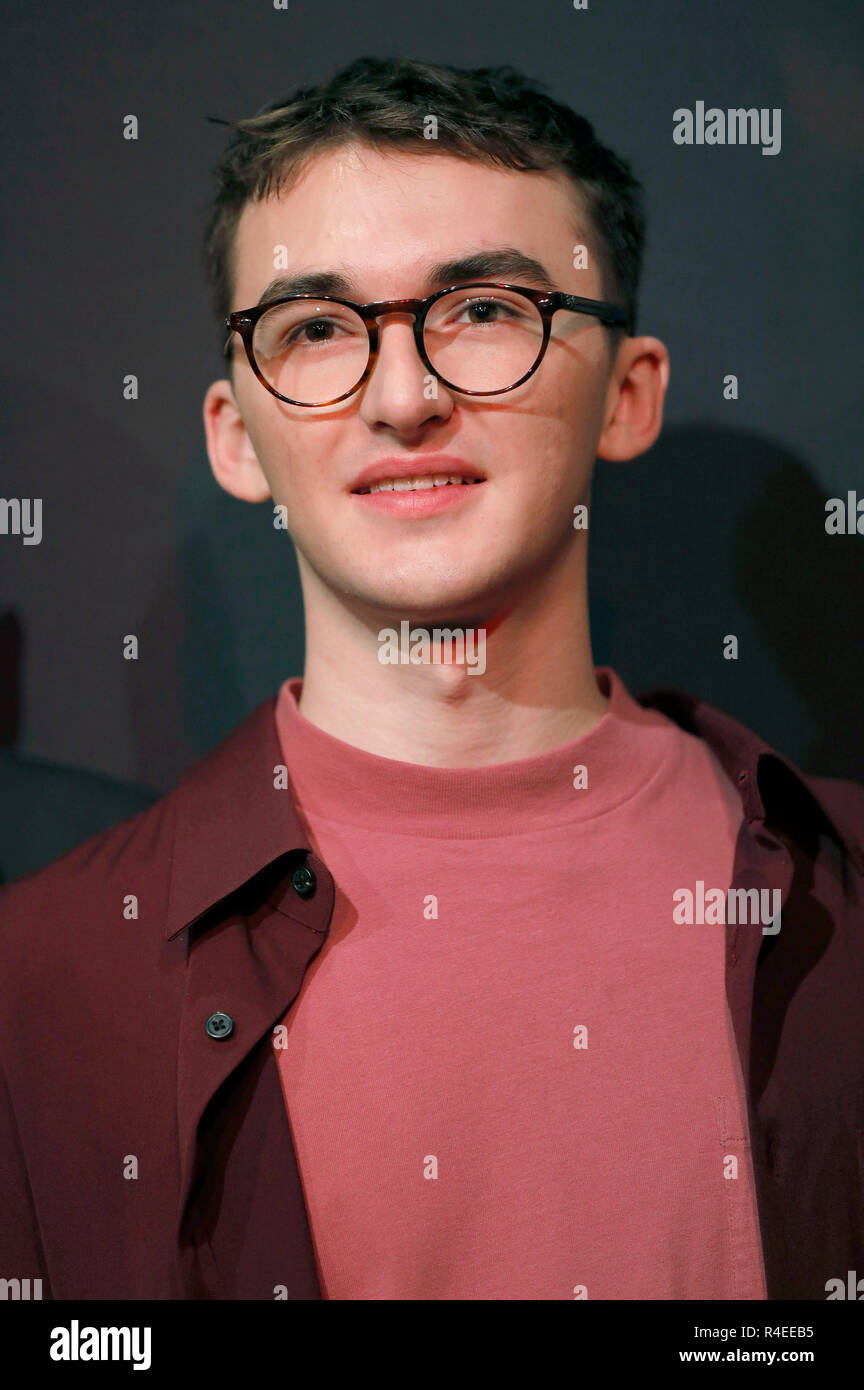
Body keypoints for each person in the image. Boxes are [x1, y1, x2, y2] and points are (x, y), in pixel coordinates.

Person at [1, 56, 862, 1303]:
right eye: (313, 329)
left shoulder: (843, 889)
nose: (404, 398)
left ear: (629, 394)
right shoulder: (42, 982)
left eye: (486, 311)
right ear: (237, 437)